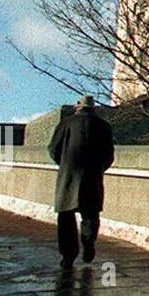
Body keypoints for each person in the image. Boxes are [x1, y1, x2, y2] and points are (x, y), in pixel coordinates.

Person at [47, 95, 115, 268]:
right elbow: (109, 156)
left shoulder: (66, 123)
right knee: (90, 213)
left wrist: (64, 164)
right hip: (92, 175)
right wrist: (99, 169)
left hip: (69, 174)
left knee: (65, 215)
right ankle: (89, 241)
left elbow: (53, 148)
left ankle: (68, 255)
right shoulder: (104, 126)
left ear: (78, 106)